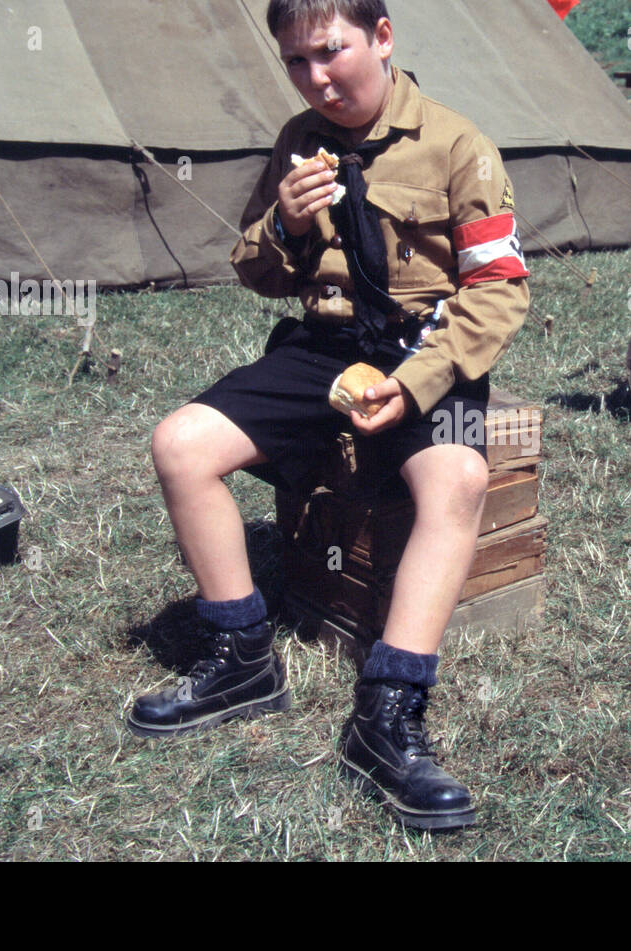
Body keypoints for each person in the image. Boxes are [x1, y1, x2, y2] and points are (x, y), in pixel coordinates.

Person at [127, 0, 529, 832]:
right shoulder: (298, 140)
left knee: (456, 477)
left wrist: (416, 384)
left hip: (429, 349)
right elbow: (254, 268)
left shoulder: (459, 145)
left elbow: (498, 291)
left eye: (331, 53)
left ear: (383, 38)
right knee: (181, 444)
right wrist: (285, 222)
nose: (317, 79)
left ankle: (387, 709)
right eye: (296, 64)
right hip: (323, 349)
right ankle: (241, 655)